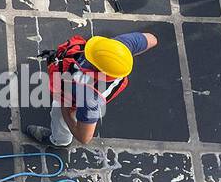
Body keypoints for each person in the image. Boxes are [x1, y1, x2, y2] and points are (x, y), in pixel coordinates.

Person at [25, 32, 156, 148]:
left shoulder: (89, 99)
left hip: (73, 101)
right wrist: (126, 57)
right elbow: (152, 39)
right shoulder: (118, 48)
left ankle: (60, 141)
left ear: (98, 69)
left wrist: (65, 110)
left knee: (59, 114)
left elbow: (84, 138)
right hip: (77, 86)